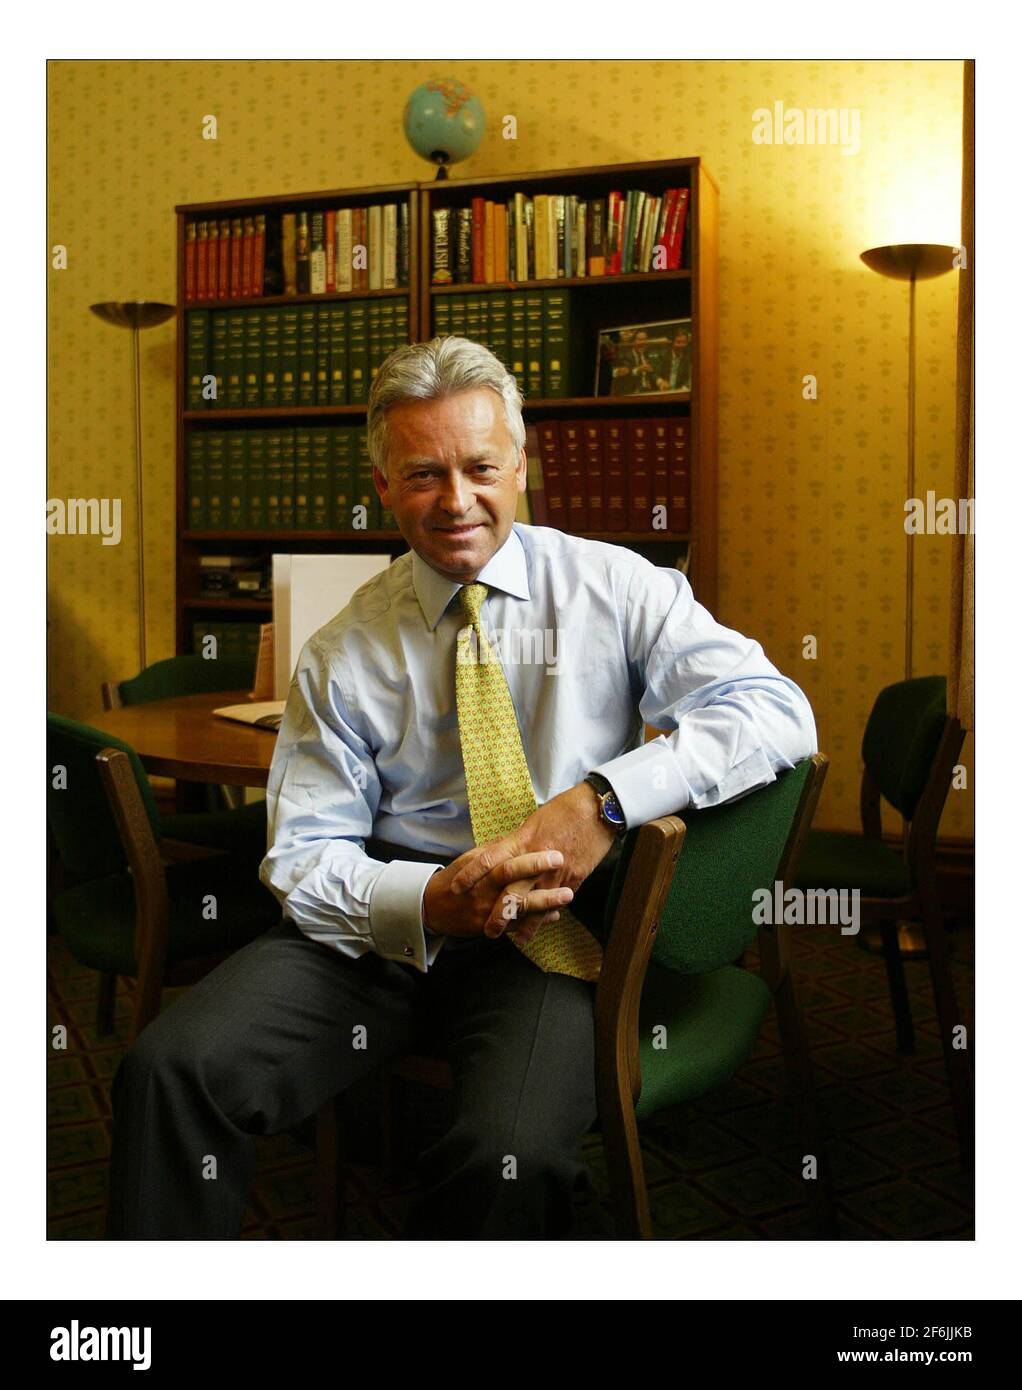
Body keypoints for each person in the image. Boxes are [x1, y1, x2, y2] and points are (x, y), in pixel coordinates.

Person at [106, 336, 816, 1240]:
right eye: (421, 474)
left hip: (547, 917)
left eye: (480, 466)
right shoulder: (342, 648)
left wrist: (602, 799)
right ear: (382, 488)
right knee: (168, 1069)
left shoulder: (618, 587)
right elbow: (302, 856)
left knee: (504, 1155)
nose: (456, 501)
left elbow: (775, 709)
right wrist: (428, 900)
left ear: (521, 466)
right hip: (383, 910)